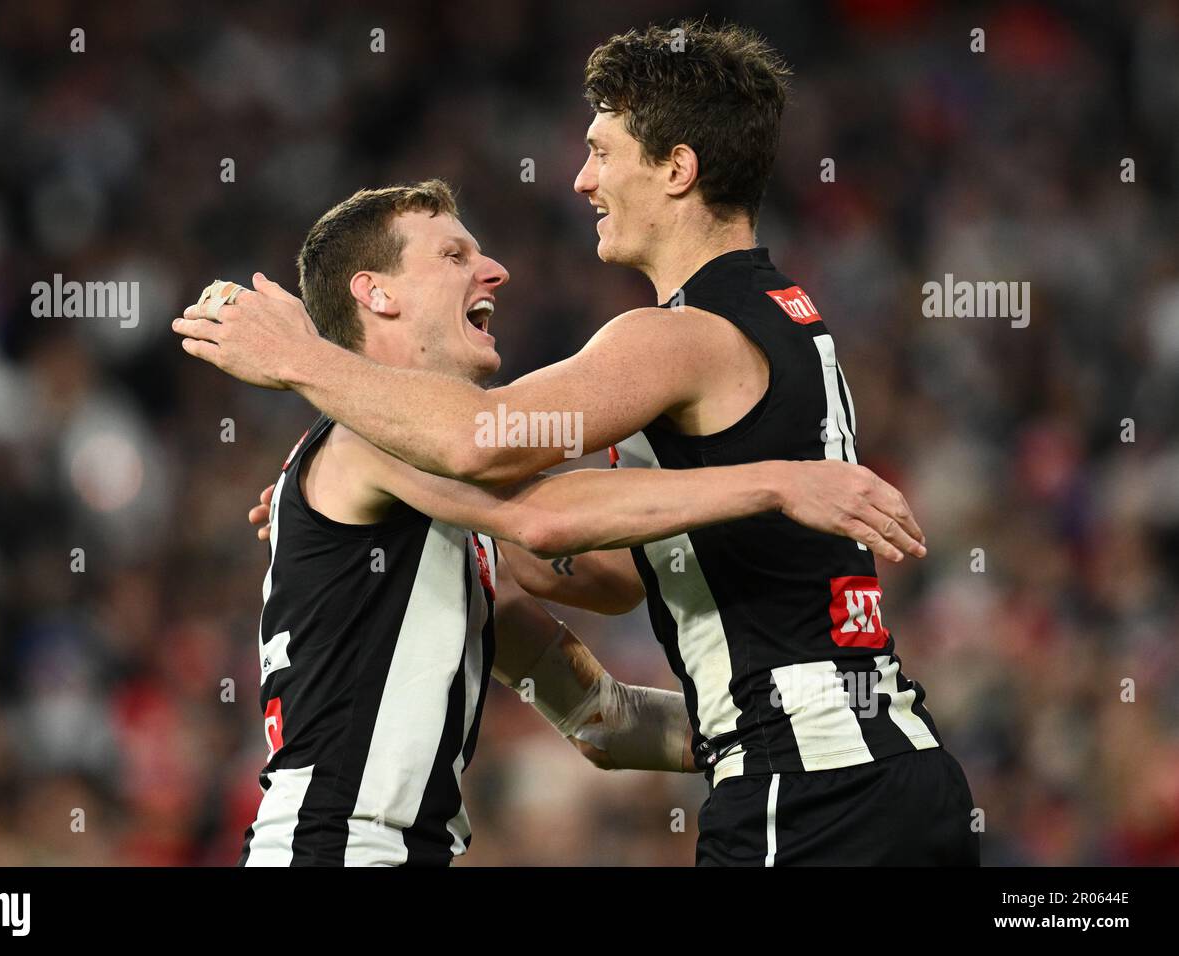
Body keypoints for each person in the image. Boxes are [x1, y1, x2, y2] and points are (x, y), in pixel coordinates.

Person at [175, 21, 976, 866]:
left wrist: (301, 359)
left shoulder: (673, 340)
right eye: (456, 254)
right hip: (883, 767)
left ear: (676, 168)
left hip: (807, 791)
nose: (581, 178)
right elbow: (603, 646)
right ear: (374, 295)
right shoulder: (782, 320)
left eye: (601, 150)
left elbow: (514, 474)